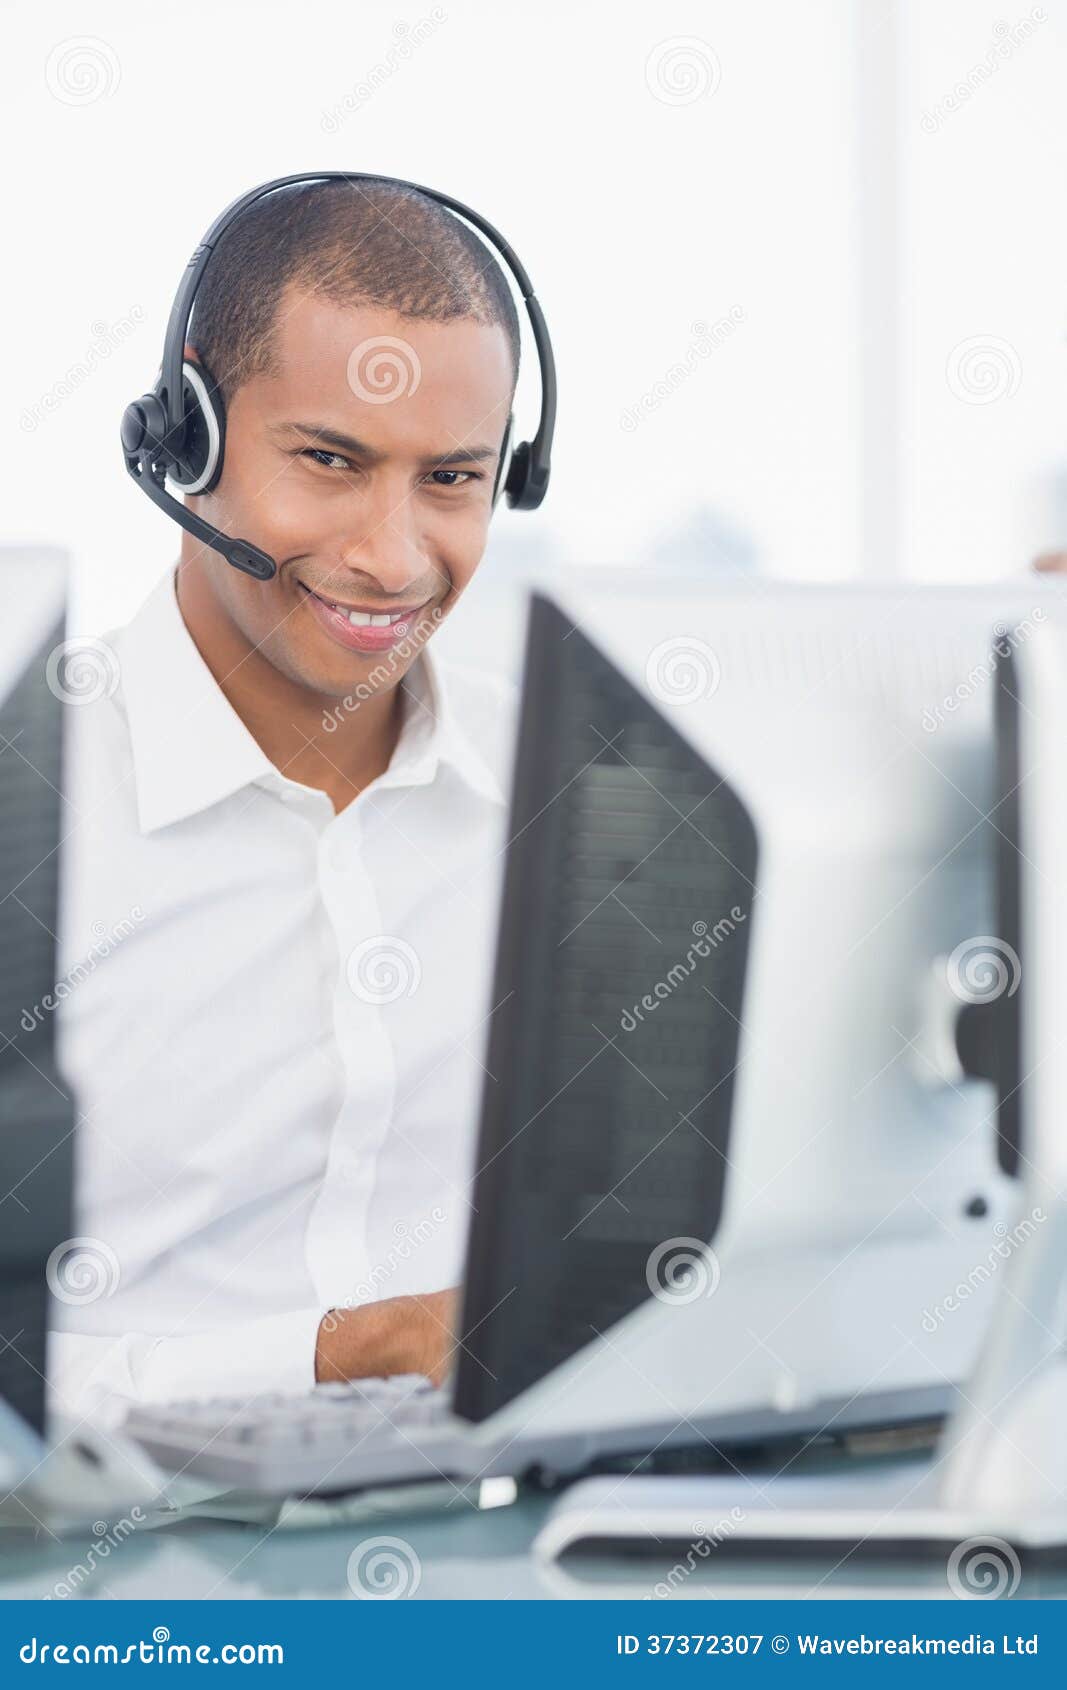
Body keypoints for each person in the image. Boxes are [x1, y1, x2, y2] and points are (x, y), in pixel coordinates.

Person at [53, 178, 525, 1422]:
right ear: (186, 439)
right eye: (330, 460)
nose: (392, 553)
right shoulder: (27, 810)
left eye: (452, 479)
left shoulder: (583, 793)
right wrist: (333, 1354)